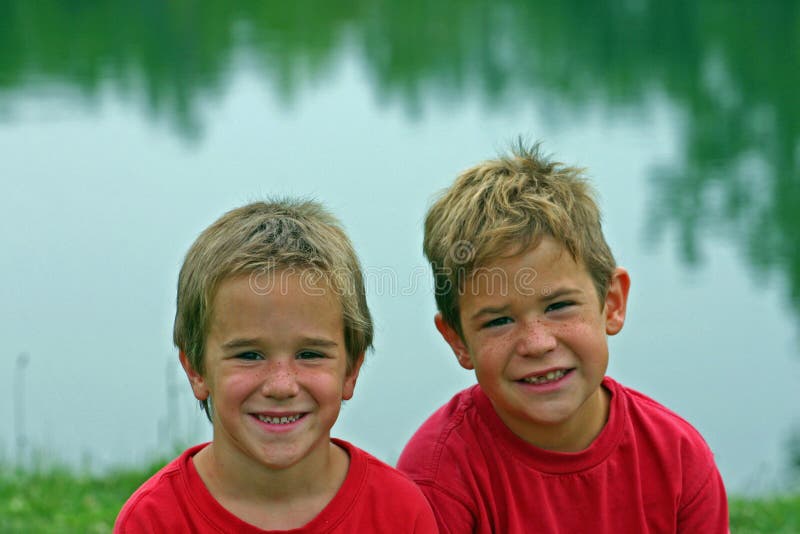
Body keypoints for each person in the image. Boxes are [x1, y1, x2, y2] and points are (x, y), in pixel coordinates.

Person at [397, 142, 729, 533]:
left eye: (558, 307)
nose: (537, 343)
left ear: (612, 302)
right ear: (457, 340)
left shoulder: (677, 458)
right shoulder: (436, 479)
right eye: (499, 321)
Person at [115, 200, 437, 533]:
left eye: (310, 355)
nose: (281, 386)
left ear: (351, 370)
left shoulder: (398, 513)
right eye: (249, 355)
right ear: (196, 369)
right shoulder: (154, 520)